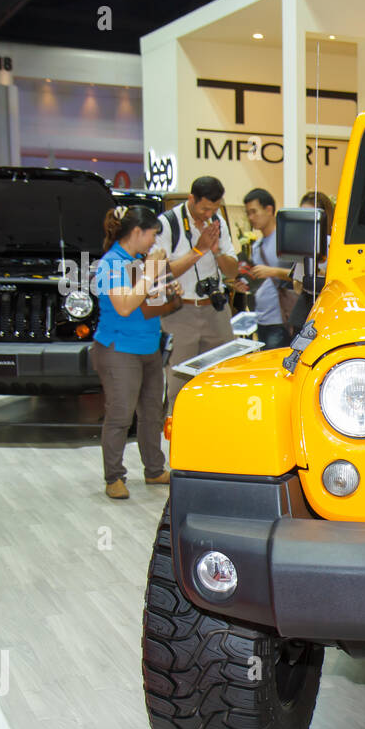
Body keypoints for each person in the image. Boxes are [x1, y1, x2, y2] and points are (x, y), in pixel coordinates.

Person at [92, 205, 182, 499]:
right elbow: (125, 305)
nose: (154, 243)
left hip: (148, 346)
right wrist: (153, 271)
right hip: (119, 349)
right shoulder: (110, 265)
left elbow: (146, 307)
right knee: (120, 414)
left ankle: (154, 469)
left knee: (152, 413)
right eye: (152, 235)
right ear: (137, 232)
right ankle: (114, 477)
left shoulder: (138, 261)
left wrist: (169, 295)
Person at [152, 176, 245, 409]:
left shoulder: (218, 222)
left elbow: (232, 271)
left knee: (224, 377)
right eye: (204, 208)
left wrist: (216, 252)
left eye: (213, 209)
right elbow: (159, 272)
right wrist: (198, 250)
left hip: (215, 310)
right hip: (179, 313)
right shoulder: (167, 223)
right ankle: (179, 437)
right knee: (178, 385)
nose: (208, 214)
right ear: (191, 198)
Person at [242, 188, 296, 350]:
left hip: (281, 319)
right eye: (248, 213)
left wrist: (272, 271)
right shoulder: (257, 246)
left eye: (254, 212)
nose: (251, 218)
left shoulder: (286, 239)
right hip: (261, 319)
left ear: (269, 209)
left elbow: (301, 276)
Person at [288, 191, 334, 334]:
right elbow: (297, 285)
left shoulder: (334, 244)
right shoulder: (304, 244)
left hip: (328, 312)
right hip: (304, 311)